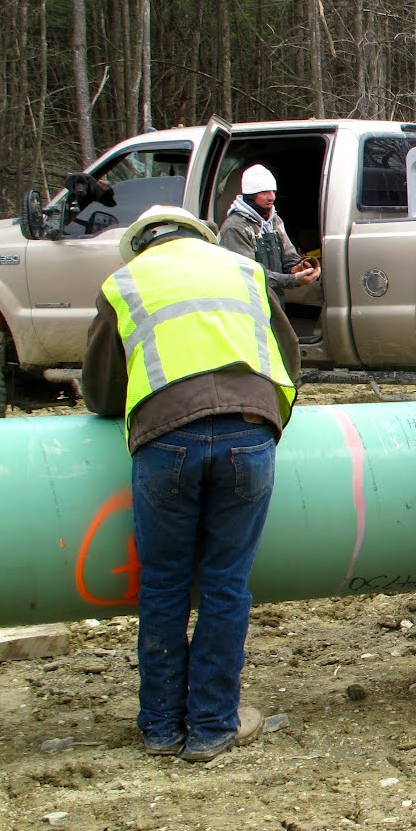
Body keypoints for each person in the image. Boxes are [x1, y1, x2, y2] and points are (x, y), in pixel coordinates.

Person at [81, 206, 299, 762]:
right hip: (250, 437)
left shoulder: (124, 283)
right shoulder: (243, 270)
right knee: (226, 584)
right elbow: (288, 359)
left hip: (166, 442)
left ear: (142, 245)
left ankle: (158, 726)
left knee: (164, 583)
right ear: (199, 236)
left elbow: (102, 390)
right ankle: (210, 726)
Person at [217, 164, 321, 295]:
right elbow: (250, 275)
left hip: (274, 299)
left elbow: (289, 256)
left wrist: (300, 267)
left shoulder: (274, 220)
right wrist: (293, 280)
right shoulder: (235, 228)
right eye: (265, 192)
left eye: (273, 192)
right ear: (250, 195)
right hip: (250, 301)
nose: (272, 197)